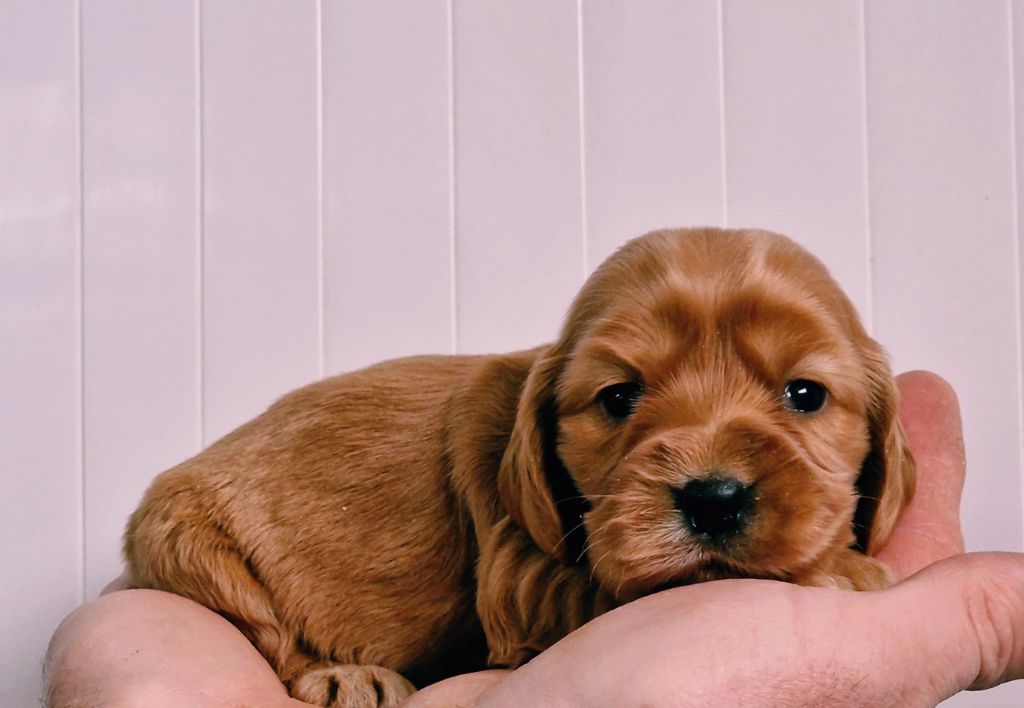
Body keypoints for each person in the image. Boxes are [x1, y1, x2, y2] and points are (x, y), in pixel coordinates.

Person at [43, 372, 1024, 707]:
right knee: (172, 532)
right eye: (621, 400)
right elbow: (523, 610)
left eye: (800, 397)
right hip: (229, 548)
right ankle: (297, 659)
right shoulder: (525, 460)